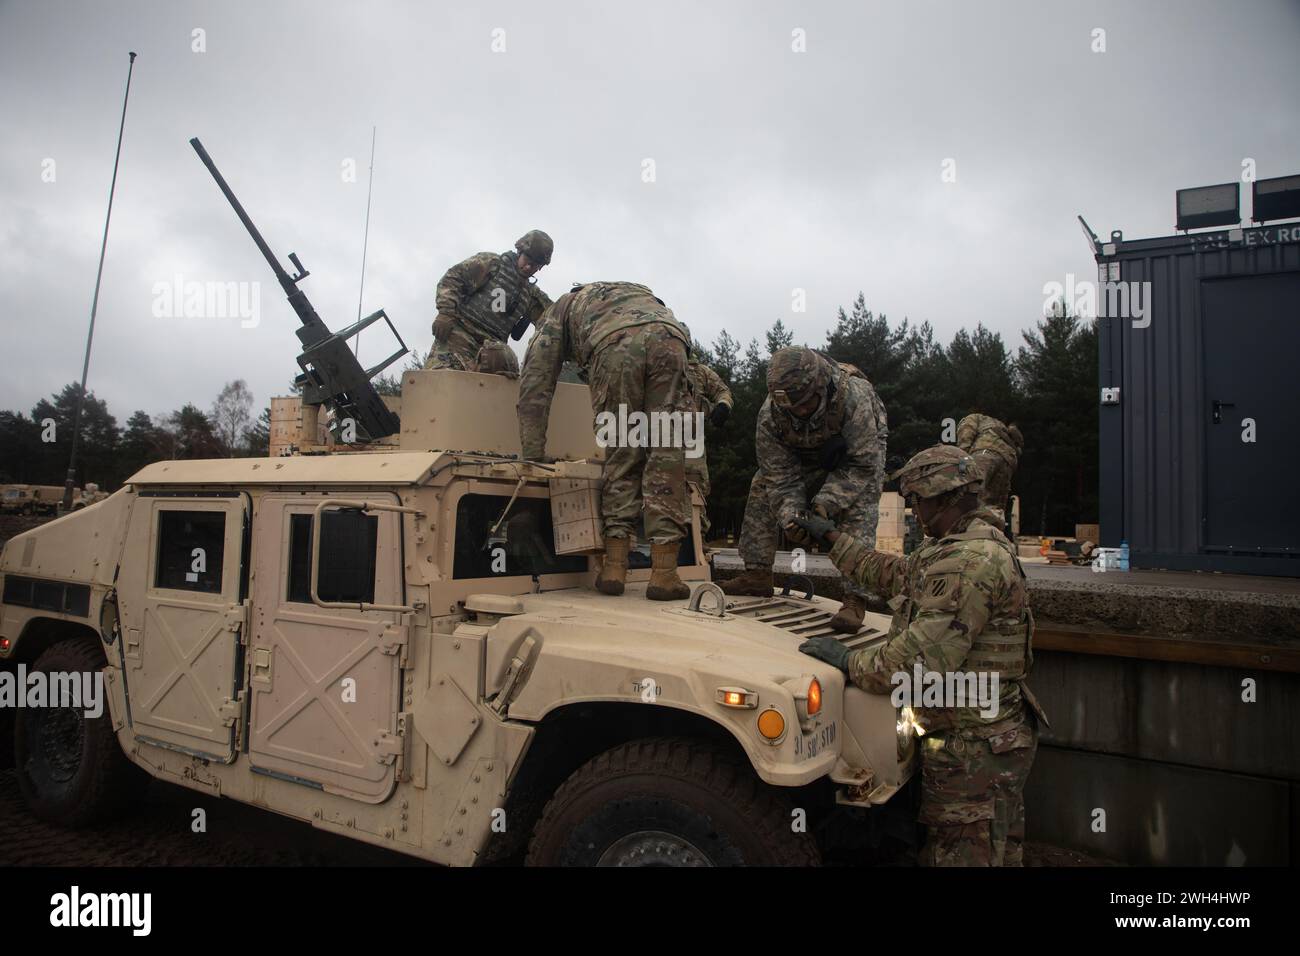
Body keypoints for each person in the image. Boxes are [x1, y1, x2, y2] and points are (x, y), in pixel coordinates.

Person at [794, 444, 1046, 866]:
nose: (913, 510)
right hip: (977, 738)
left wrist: (849, 662)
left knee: (967, 855)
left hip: (975, 748)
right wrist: (833, 539)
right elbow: (894, 574)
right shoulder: (958, 545)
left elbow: (919, 661)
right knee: (986, 848)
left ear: (944, 498)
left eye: (917, 500)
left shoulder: (968, 561)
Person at [517, 281, 692, 601]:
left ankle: (614, 567)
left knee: (622, 452)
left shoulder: (555, 314)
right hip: (672, 337)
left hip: (615, 345)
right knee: (666, 452)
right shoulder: (617, 293)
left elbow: (534, 388)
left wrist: (532, 457)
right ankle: (665, 574)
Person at [719, 347, 887, 634]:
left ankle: (855, 597)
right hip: (803, 457)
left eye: (804, 405)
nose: (798, 411)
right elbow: (779, 474)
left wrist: (824, 506)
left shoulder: (855, 398)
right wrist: (792, 517)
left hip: (857, 457)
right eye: (790, 407)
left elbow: (862, 467)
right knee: (761, 484)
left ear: (822, 387)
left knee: (860, 506)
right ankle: (757, 574)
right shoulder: (771, 414)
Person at [426, 230, 554, 372]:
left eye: (535, 265)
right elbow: (454, 278)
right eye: (527, 261)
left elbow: (555, 317)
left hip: (491, 351)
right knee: (441, 383)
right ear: (519, 252)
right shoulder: (492, 264)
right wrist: (445, 313)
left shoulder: (531, 294)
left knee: (508, 368)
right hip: (458, 336)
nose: (529, 267)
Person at [685, 356, 732, 539]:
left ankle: (697, 544)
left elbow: (722, 391)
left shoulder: (700, 372)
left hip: (690, 442)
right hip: (655, 438)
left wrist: (723, 406)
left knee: (696, 491)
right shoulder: (653, 364)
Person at [955, 413, 1023, 518]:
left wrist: (962, 471)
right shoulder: (998, 424)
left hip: (986, 453)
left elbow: (964, 443)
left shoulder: (971, 418)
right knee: (995, 506)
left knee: (973, 494)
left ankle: (970, 531)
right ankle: (993, 531)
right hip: (1008, 461)